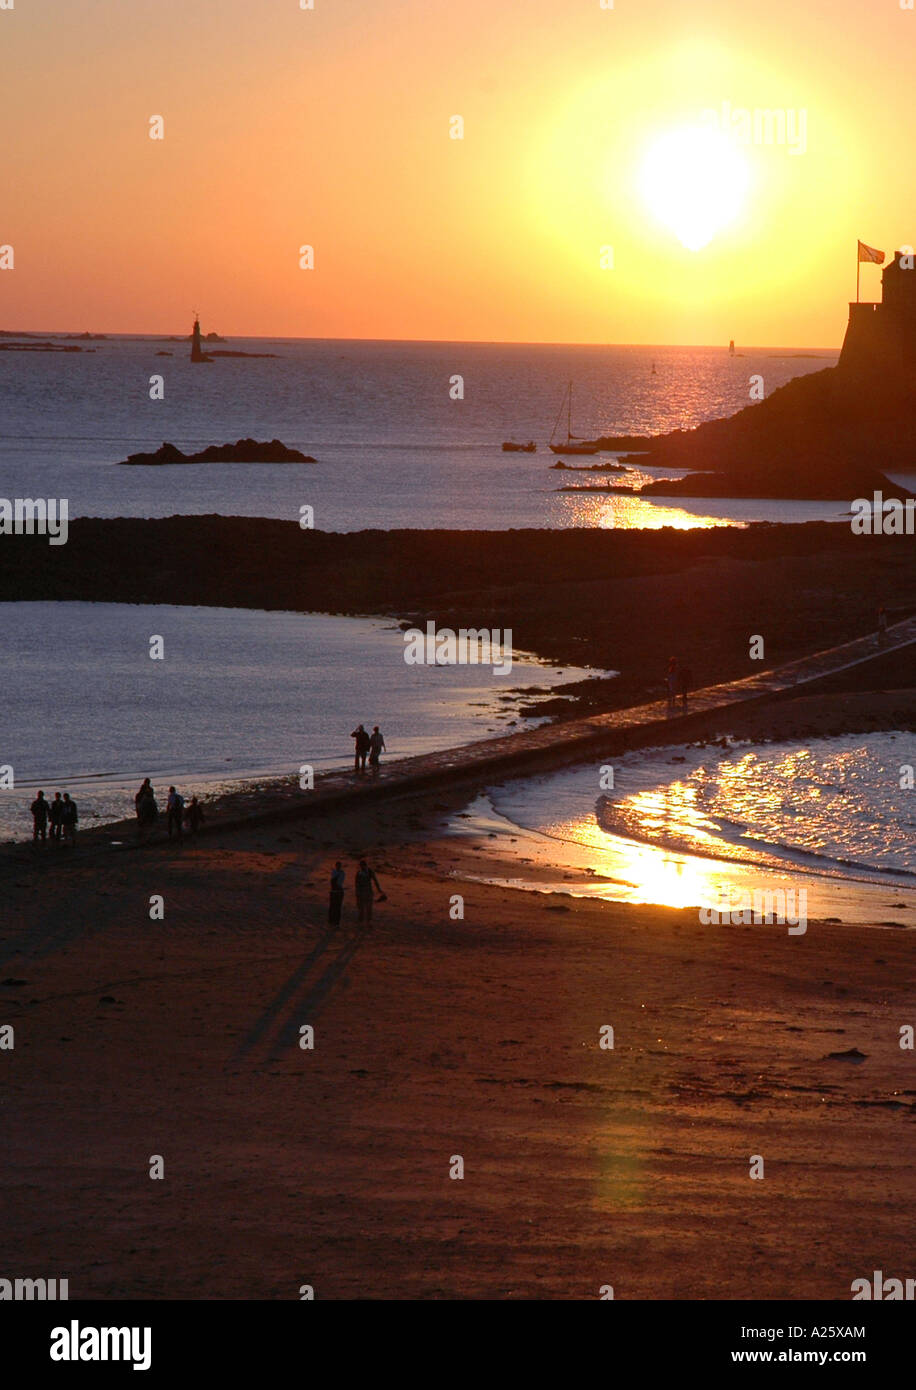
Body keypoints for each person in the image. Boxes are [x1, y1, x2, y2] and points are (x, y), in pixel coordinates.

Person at [355, 858, 382, 926]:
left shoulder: (369, 871)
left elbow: (375, 881)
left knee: (368, 907)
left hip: (368, 892)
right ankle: (362, 921)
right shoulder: (359, 873)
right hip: (362, 892)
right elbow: (357, 884)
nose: (362, 867)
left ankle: (368, 921)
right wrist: (357, 893)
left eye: (362, 865)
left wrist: (379, 890)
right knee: (361, 908)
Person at [328, 860, 345, 927]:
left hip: (338, 892)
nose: (338, 867)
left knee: (337, 907)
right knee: (332, 907)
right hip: (334, 891)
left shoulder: (341, 873)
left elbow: (339, 883)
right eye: (337, 866)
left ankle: (336, 922)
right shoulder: (335, 872)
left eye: (339, 866)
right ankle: (331, 921)